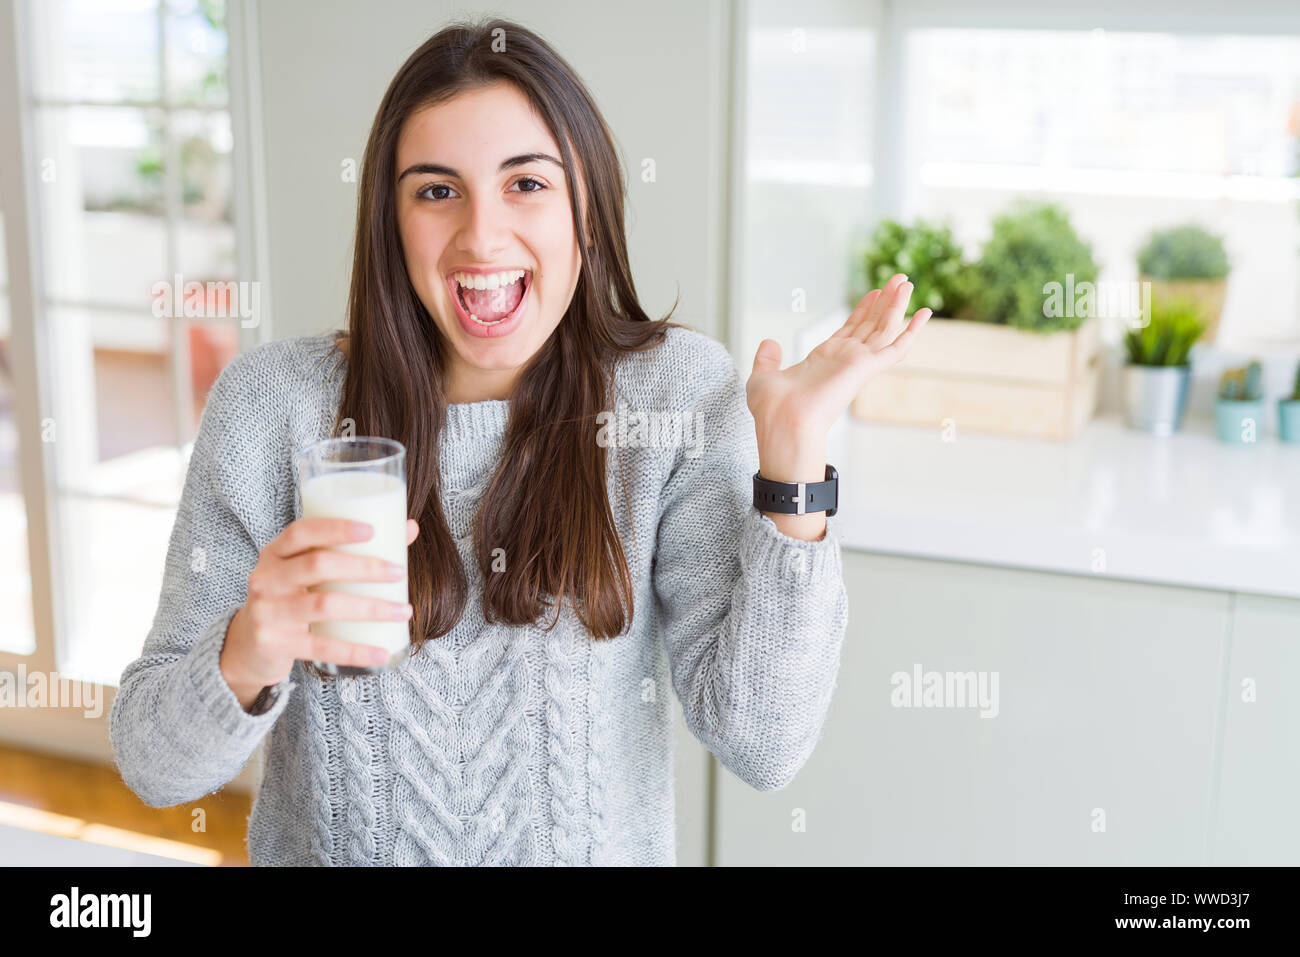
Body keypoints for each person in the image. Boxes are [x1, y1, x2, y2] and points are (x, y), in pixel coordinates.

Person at [108, 16, 930, 866]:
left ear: (588, 204)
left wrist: (793, 460)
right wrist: (251, 644)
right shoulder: (274, 407)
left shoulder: (671, 396)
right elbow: (154, 764)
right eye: (437, 191)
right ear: (390, 220)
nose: (482, 237)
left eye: (526, 184)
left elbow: (762, 741)